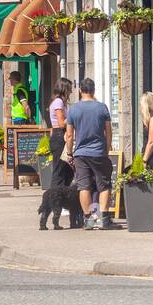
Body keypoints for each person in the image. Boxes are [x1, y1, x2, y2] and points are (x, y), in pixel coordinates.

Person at [65, 78, 114, 230]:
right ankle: (104, 218)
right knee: (104, 185)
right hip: (99, 151)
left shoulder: (73, 109)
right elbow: (108, 131)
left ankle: (88, 220)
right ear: (93, 90)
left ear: (80, 90)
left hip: (81, 153)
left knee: (84, 186)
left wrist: (69, 152)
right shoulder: (102, 108)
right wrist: (106, 149)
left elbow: (70, 134)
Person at [43, 78, 74, 229]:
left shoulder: (61, 102)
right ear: (64, 89)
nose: (71, 91)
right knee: (59, 172)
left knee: (66, 171)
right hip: (59, 136)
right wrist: (75, 117)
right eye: (69, 88)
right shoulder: (58, 103)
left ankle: (62, 202)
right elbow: (62, 123)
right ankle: (55, 201)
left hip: (60, 136)